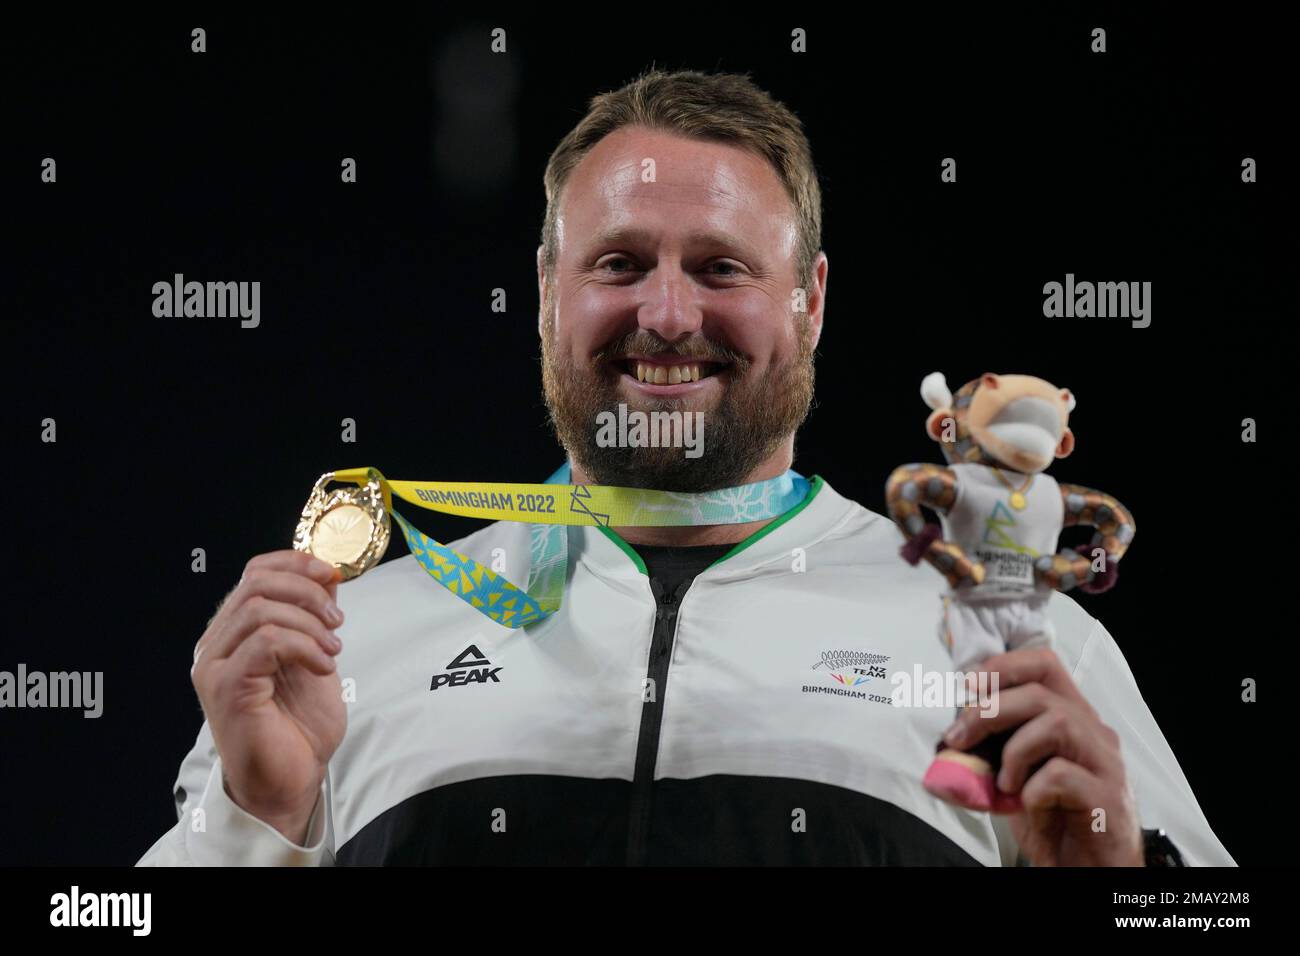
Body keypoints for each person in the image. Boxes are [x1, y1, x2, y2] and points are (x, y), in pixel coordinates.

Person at [138, 69, 1233, 866]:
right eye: (620, 264)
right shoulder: (349, 644)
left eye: (719, 268)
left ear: (809, 302)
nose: (667, 315)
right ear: (546, 291)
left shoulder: (1021, 652)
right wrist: (255, 817)